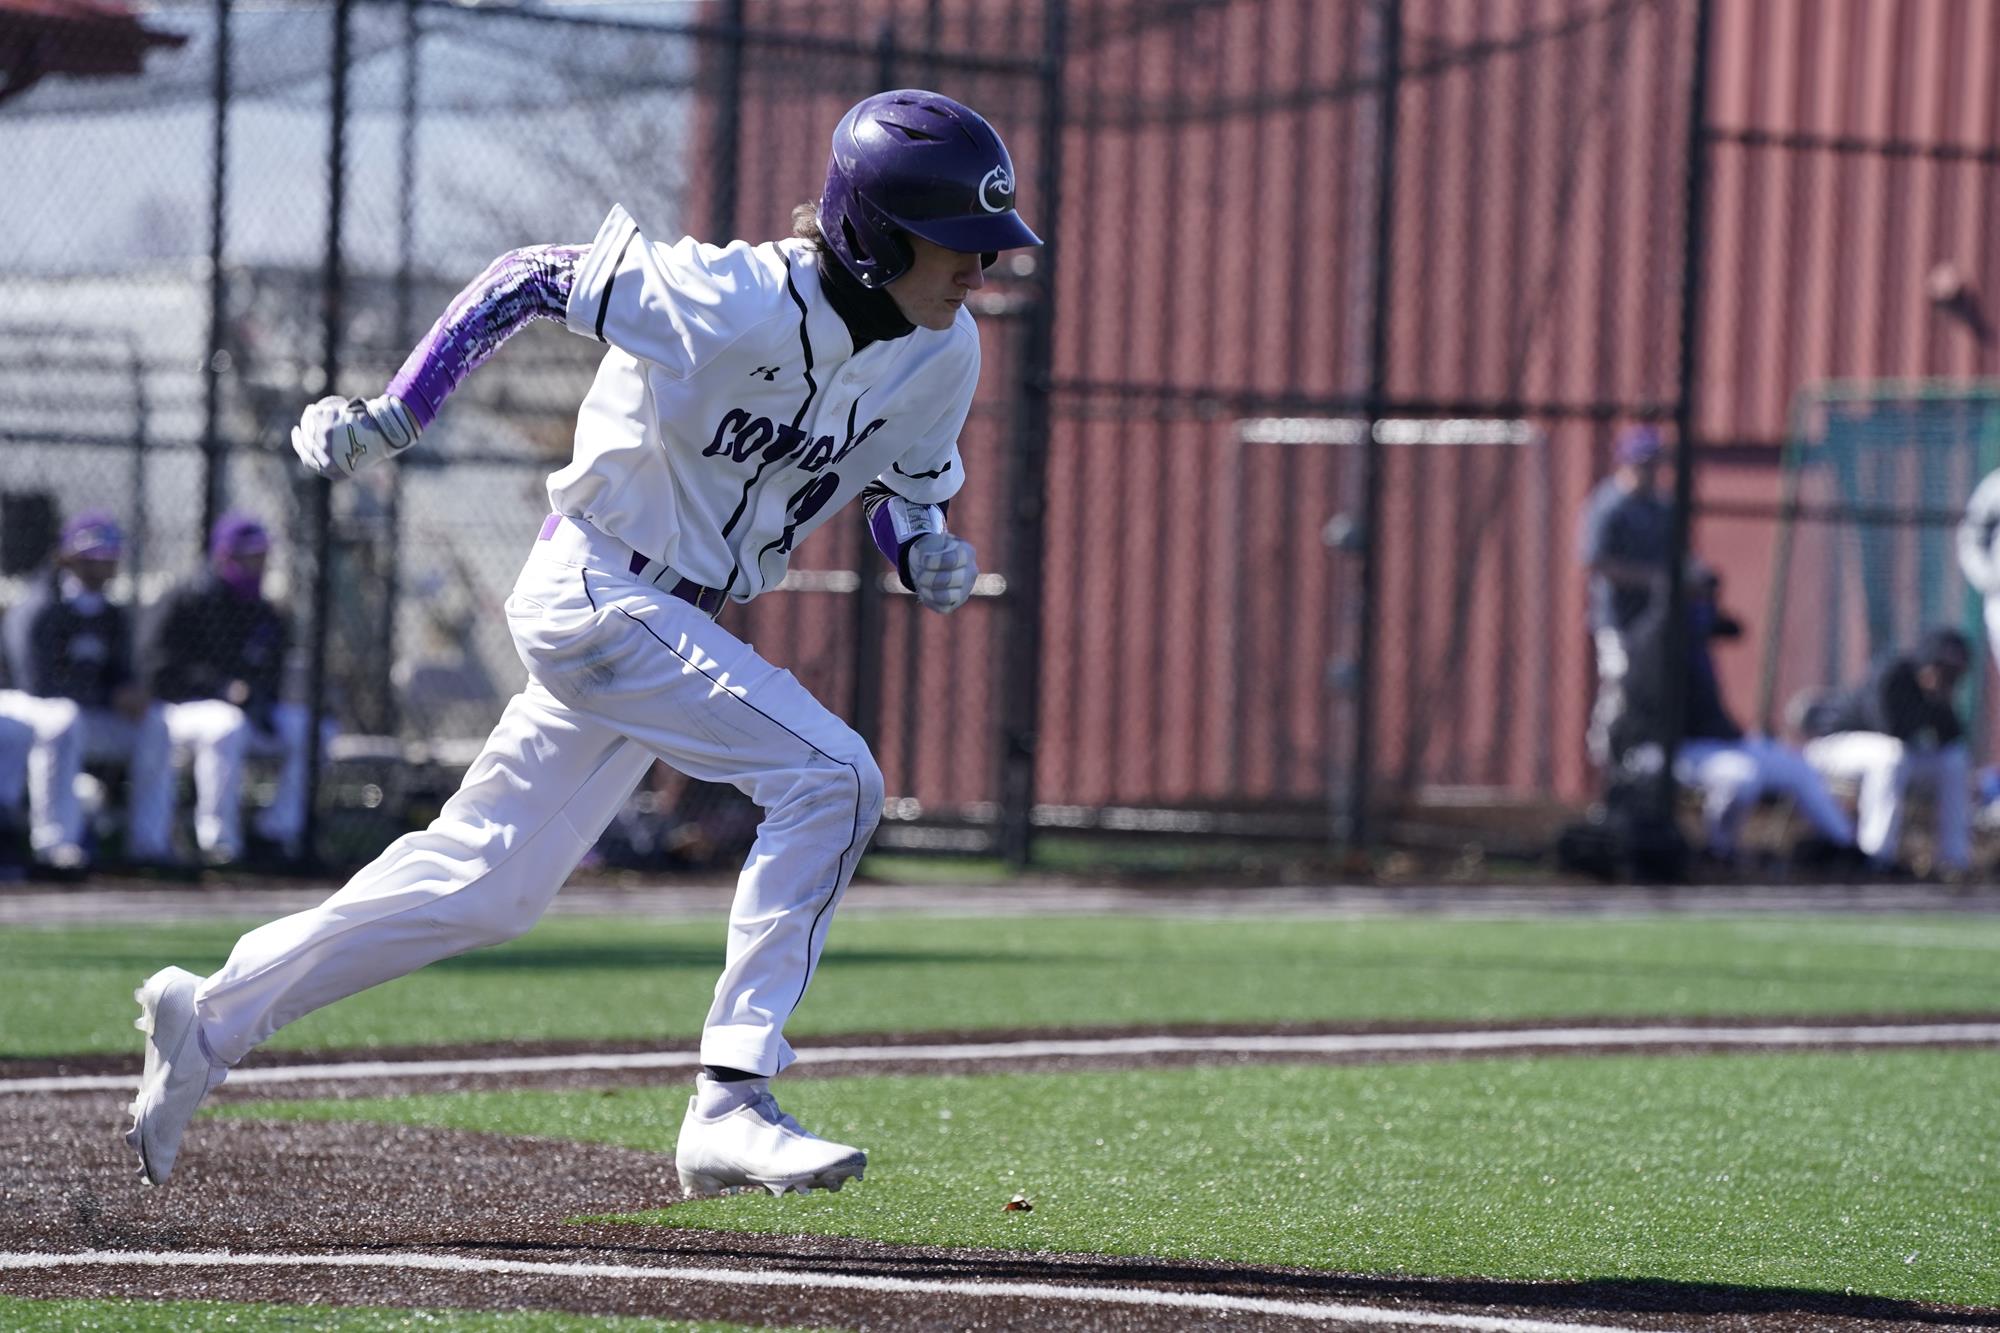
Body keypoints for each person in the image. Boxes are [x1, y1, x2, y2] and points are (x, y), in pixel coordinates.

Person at [125, 89, 1038, 1197]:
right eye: (959, 242)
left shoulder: (943, 353)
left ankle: (210, 1014)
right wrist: (401, 412)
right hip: (597, 585)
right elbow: (530, 278)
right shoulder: (732, 293)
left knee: (487, 886)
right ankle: (730, 1095)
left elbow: (901, 486)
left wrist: (922, 545)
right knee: (832, 776)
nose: (980, 269)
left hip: (661, 620)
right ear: (874, 232)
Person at [1611, 563, 1860, 868]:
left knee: (1798, 768)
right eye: (1697, 595)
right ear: (1676, 595)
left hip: (1715, 744)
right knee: (1740, 776)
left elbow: (1733, 627)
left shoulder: (1694, 633)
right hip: (1668, 747)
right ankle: (1720, 850)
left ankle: (1849, 848)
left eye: (1708, 596)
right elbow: (1659, 715)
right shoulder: (1653, 642)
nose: (1706, 602)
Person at [3, 511, 178, 870]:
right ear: (71, 558)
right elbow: (36, 681)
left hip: (87, 710)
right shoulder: (40, 606)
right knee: (63, 719)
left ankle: (149, 844)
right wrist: (108, 695)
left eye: (110, 558)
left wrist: (130, 693)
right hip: (23, 705)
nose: (106, 566)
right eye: (97, 558)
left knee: (156, 723)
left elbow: (122, 673)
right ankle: (55, 843)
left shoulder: (111, 612)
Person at [146, 514, 318, 866]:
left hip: (247, 712)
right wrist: (220, 687)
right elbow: (158, 669)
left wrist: (258, 698)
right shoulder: (187, 600)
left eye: (260, 556)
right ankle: (218, 843)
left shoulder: (265, 611)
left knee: (310, 727)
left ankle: (277, 831)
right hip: (181, 708)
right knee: (225, 725)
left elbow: (271, 672)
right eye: (247, 556)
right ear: (224, 556)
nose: (257, 565)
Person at [1802, 627, 1973, 877]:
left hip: (1891, 757)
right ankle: (1876, 857)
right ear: (1926, 661)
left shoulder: (1938, 695)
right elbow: (1889, 728)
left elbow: (1952, 737)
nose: (1945, 677)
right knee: (1892, 756)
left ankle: (1954, 861)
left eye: (1953, 673)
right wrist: (1931, 706)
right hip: (1834, 747)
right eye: (1941, 668)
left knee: (1954, 761)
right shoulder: (1893, 674)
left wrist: (1940, 702)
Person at [1578, 425, 1674, 767]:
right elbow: (1595, 562)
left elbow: (1676, 555)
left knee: (1649, 687)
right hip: (1617, 617)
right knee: (1619, 680)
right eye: (1643, 463)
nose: (1650, 470)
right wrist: (1650, 579)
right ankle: (1605, 757)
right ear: (1627, 462)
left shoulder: (1661, 506)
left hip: (1653, 619)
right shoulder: (1609, 505)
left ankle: (1637, 761)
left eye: (1655, 463)